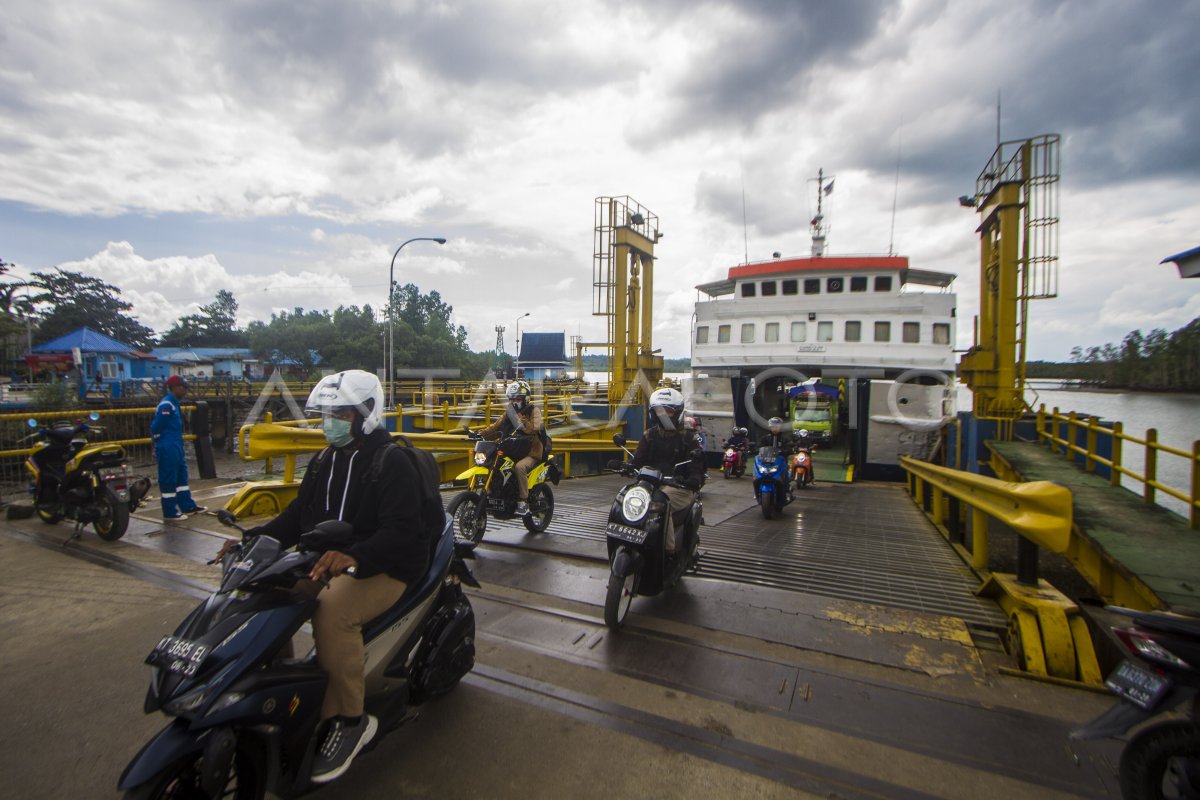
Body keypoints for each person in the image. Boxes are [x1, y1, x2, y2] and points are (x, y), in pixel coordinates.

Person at [217, 370, 431, 784]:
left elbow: (401, 531)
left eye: (340, 412)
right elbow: (299, 516)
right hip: (331, 557)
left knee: (332, 611)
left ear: (366, 413)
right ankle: (272, 685)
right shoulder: (325, 459)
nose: (329, 420)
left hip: (390, 563)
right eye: (327, 412)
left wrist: (353, 556)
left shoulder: (393, 461)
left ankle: (350, 720)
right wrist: (255, 541)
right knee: (267, 588)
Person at [630, 388, 706, 554]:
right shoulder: (649, 435)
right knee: (626, 498)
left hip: (679, 487)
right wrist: (625, 466)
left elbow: (696, 467)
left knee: (661, 503)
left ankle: (667, 551)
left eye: (668, 411)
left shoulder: (688, 438)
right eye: (659, 410)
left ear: (677, 412)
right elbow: (637, 461)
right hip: (651, 485)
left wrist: (693, 478)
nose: (663, 414)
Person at [475, 380, 543, 516]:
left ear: (525, 399)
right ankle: (491, 492)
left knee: (519, 467)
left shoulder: (533, 411)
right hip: (512, 449)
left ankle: (523, 502)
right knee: (492, 463)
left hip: (530, 452)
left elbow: (535, 429)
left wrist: (524, 421)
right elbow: (495, 427)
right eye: (511, 399)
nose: (514, 402)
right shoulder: (509, 412)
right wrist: (479, 434)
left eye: (517, 399)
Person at [151, 375, 205, 520]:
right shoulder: (167, 405)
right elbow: (156, 426)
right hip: (168, 446)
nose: (185, 390)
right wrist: (158, 442)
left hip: (175, 445)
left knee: (182, 477)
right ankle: (169, 511)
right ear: (174, 388)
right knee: (169, 478)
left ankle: (187, 505)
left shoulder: (174, 403)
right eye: (183, 387)